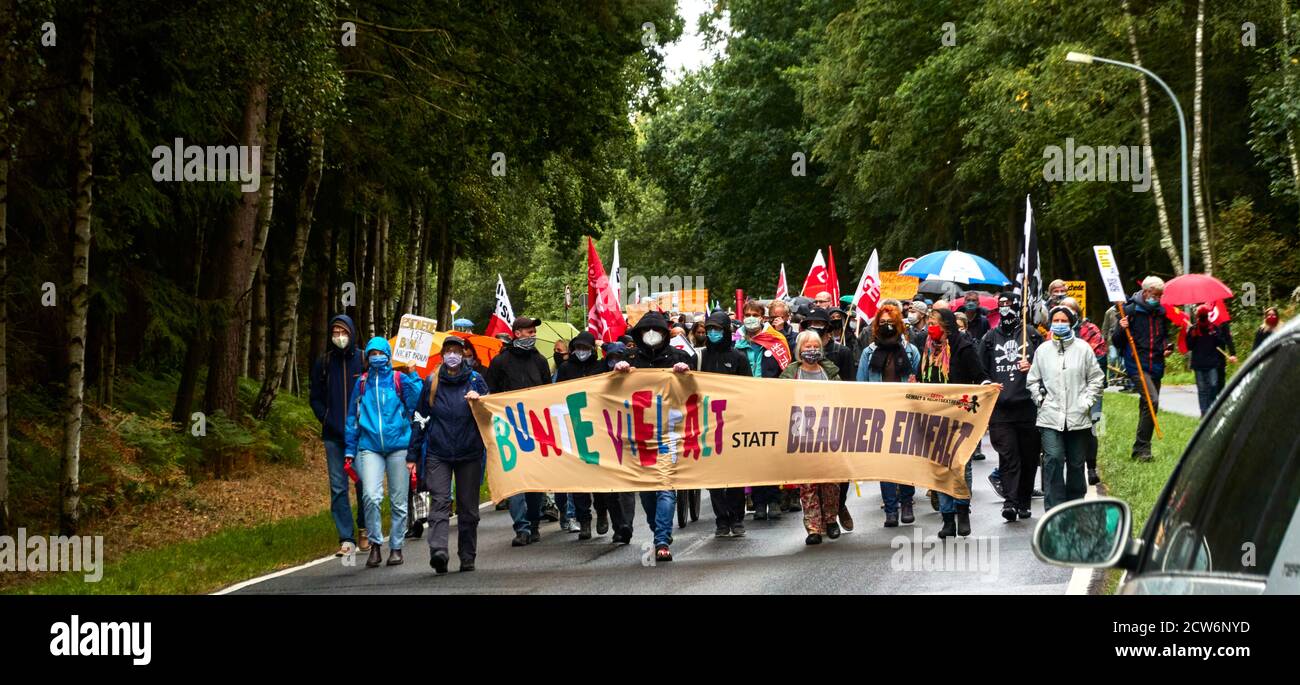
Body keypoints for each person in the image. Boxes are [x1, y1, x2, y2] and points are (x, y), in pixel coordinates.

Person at [611, 311, 692, 562]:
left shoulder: (679, 357)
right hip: (640, 434)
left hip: (670, 433)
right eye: (646, 331)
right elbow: (611, 391)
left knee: (665, 488)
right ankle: (659, 529)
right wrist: (618, 371)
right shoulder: (630, 357)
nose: (651, 335)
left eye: (656, 331)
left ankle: (662, 540)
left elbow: (695, 391)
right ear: (639, 334)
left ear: (666, 334)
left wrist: (686, 374)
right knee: (647, 490)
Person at [409, 337, 490, 574]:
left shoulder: (476, 379)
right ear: (442, 355)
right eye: (448, 351)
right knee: (440, 501)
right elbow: (420, 418)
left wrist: (480, 401)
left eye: (457, 351)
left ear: (463, 354)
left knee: (468, 507)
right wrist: (412, 455)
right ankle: (438, 552)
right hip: (438, 452)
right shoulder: (432, 382)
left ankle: (467, 555)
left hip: (469, 452)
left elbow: (490, 415)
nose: (452, 355)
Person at [344, 337, 423, 567]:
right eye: (372, 353)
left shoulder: (400, 380)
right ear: (367, 358)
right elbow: (352, 419)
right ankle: (376, 545)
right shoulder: (362, 384)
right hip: (369, 447)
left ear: (388, 355)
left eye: (380, 352)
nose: (376, 356)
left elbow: (419, 404)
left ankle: (396, 547)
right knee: (370, 495)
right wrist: (350, 449)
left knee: (399, 501)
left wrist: (414, 374)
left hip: (399, 446)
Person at [919, 308, 992, 538]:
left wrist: (988, 388)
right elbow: (922, 380)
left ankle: (963, 511)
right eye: (929, 321)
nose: (930, 326)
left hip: (960, 417)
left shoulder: (963, 348)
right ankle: (947, 518)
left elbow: (980, 376)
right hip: (934, 417)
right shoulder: (927, 349)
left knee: (961, 466)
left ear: (946, 326)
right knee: (940, 467)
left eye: (933, 322)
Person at [484, 316, 553, 545]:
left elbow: (548, 393)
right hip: (509, 429)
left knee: (535, 479)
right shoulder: (500, 362)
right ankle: (521, 527)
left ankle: (533, 523)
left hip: (536, 429)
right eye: (529, 331)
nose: (533, 335)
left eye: (534, 332)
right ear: (517, 334)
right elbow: (490, 393)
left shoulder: (540, 361)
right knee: (515, 479)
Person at [1028, 306, 1104, 511]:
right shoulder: (1043, 350)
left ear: (1072, 323)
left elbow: (1097, 378)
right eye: (1056, 321)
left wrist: (1086, 402)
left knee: (1076, 464)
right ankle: (1054, 510)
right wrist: (1039, 399)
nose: (1059, 324)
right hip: (1050, 416)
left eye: (1064, 321)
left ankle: (1074, 507)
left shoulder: (1083, 349)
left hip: (1078, 417)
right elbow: (1032, 379)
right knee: (1053, 459)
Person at [980, 293, 1043, 521]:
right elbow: (981, 370)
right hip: (1001, 410)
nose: (1005, 309)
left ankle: (1024, 500)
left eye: (1009, 305)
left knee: (1029, 457)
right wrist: (987, 385)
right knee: (1008, 457)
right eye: (1001, 306)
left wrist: (1033, 365)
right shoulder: (989, 338)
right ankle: (1010, 502)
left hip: (1028, 408)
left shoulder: (1032, 335)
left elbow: (1046, 366)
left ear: (1018, 307)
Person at [857, 302, 921, 527]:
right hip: (880, 416)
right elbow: (861, 384)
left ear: (899, 325)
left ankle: (906, 503)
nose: (887, 326)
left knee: (905, 462)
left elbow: (919, 381)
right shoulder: (869, 353)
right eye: (882, 323)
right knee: (885, 464)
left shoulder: (911, 351)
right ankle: (890, 509)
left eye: (891, 323)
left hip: (905, 414)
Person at [309, 314, 366, 558]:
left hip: (362, 435)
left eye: (343, 331)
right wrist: (326, 417)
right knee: (338, 488)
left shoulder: (363, 359)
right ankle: (346, 538)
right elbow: (315, 397)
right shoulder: (324, 363)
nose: (339, 336)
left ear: (352, 333)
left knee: (365, 484)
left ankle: (365, 529)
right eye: (335, 332)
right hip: (333, 436)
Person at [780, 330, 842, 545]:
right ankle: (813, 527)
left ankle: (831, 520)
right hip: (802, 435)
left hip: (829, 433)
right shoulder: (790, 373)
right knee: (807, 484)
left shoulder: (830, 372)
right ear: (800, 349)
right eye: (808, 346)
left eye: (816, 346)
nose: (812, 350)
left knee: (830, 482)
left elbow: (843, 398)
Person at [696, 309, 753, 538]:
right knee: (714, 476)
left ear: (726, 331)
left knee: (736, 474)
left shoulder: (738, 358)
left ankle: (737, 518)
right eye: (709, 329)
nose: (712, 333)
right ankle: (721, 520)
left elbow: (749, 389)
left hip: (733, 424)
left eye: (717, 329)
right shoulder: (699, 357)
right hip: (708, 426)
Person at [733, 300, 785, 520]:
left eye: (756, 314)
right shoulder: (736, 341)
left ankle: (773, 498)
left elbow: (785, 372)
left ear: (763, 317)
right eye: (748, 314)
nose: (751, 318)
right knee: (751, 452)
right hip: (745, 405)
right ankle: (758, 500)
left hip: (770, 404)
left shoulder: (776, 340)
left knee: (770, 452)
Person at [554, 331, 607, 539]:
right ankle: (584, 520)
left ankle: (602, 512)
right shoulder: (566, 369)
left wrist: (606, 346)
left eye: (586, 348)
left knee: (599, 479)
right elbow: (557, 395)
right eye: (578, 348)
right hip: (574, 429)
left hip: (599, 427)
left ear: (593, 349)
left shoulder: (601, 367)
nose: (581, 352)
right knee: (579, 480)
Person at [1112, 277, 1171, 462]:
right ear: (1145, 292)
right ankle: (1143, 449)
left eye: (1160, 295)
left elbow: (1164, 337)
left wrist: (1167, 347)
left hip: (1157, 365)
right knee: (1152, 401)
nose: (1158, 298)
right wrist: (1122, 328)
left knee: (1147, 405)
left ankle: (1140, 449)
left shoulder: (1161, 313)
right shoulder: (1130, 310)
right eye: (1155, 295)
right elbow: (1116, 341)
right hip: (1136, 364)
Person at [1062, 297, 1106, 485]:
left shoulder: (1091, 330)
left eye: (1069, 312)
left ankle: (1092, 467)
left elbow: (1100, 357)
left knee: (1093, 426)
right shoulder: (1053, 335)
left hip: (1090, 388)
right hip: (1065, 389)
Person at [1185, 304, 1237, 415]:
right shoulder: (1193, 329)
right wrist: (1192, 335)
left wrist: (1215, 335)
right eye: (1201, 316)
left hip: (1212, 363)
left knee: (1213, 385)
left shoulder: (1214, 328)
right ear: (1198, 317)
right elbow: (1189, 346)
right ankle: (1204, 412)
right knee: (1202, 389)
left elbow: (1220, 342)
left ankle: (1212, 408)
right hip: (1199, 364)